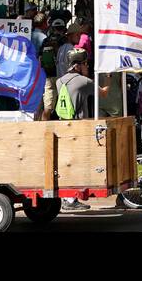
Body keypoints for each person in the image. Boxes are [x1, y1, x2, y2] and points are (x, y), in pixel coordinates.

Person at [56, 49, 94, 209]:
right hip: (78, 128)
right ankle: (71, 200)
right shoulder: (84, 82)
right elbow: (103, 94)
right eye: (85, 64)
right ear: (78, 65)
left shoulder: (60, 81)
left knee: (68, 164)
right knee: (77, 164)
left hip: (64, 126)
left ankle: (68, 198)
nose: (87, 67)